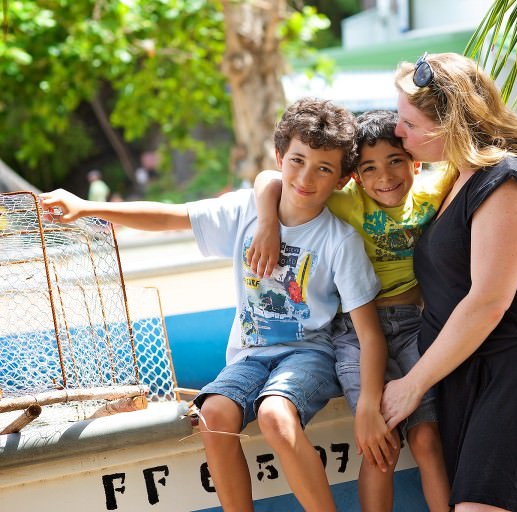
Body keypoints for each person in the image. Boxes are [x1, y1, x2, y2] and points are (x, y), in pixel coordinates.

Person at [40, 97, 396, 512]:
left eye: (323, 169)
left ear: (341, 180)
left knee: (275, 416)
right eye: (297, 161)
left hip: (309, 354)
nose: (305, 177)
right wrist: (88, 208)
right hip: (250, 355)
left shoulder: (339, 240)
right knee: (213, 417)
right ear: (279, 157)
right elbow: (171, 216)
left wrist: (368, 402)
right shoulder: (246, 211)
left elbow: (369, 334)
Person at [380, 52, 517, 512]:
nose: (398, 132)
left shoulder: (507, 180)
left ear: (449, 125)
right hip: (467, 371)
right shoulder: (458, 179)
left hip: (515, 369)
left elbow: (489, 300)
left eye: (409, 123)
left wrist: (412, 384)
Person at [248, 110, 452, 511]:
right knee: (380, 445)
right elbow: (269, 178)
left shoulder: (432, 191)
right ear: (355, 177)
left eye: (395, 161)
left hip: (414, 327)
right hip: (357, 331)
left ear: (415, 163)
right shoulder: (345, 203)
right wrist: (266, 222)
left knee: (428, 439)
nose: (384, 177)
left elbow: (474, 161)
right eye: (369, 168)